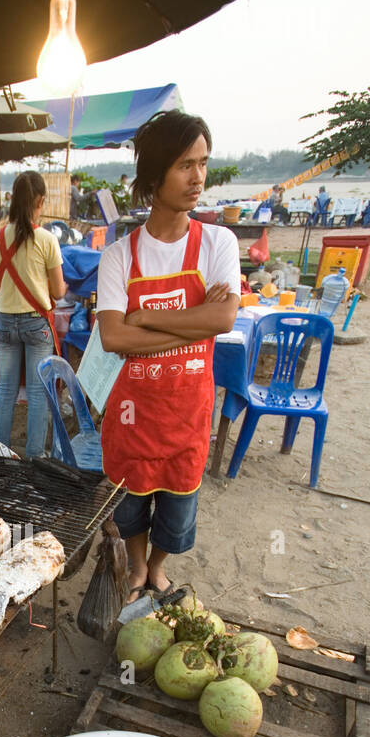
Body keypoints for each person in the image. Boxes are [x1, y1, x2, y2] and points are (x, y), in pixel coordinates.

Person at [96, 109, 240, 603]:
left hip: (187, 411)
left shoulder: (218, 242)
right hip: (135, 413)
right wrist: (192, 322)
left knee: (178, 507)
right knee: (132, 505)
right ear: (154, 175)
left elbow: (222, 322)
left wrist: (144, 319)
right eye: (184, 164)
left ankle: (157, 567)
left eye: (203, 162)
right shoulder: (119, 255)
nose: (198, 177)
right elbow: (114, 338)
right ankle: (137, 567)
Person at [0, 170, 66, 458]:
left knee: (6, 390)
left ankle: (0, 455)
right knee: (38, 393)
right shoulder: (47, 240)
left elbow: (1, 284)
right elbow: (58, 292)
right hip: (36, 323)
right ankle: (34, 457)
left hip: (5, 322)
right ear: (40, 201)